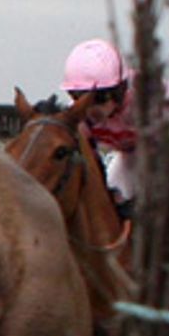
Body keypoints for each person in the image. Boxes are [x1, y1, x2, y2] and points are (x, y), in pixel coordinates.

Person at [60, 38, 138, 214]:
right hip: (128, 156)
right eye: (78, 97)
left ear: (119, 91)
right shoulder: (79, 118)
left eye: (99, 98)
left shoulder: (149, 101)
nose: (90, 108)